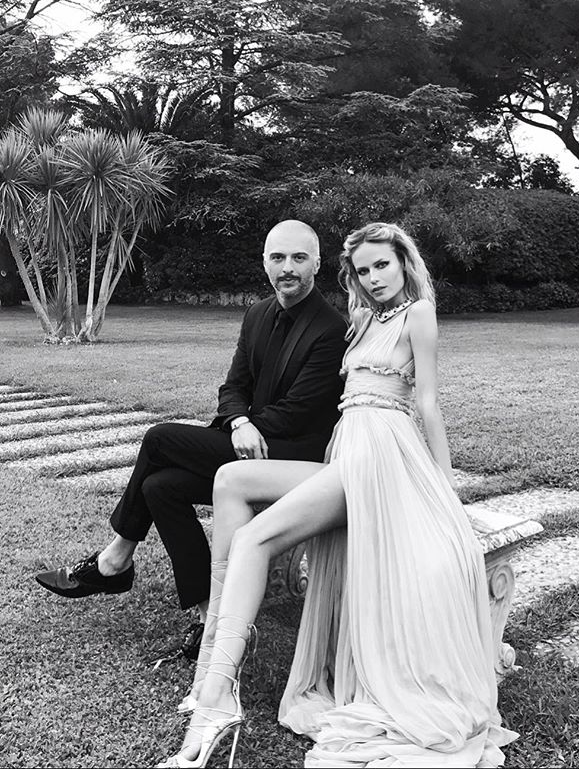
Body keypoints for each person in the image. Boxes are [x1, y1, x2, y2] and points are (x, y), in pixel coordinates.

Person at [157, 222, 518, 768]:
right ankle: (212, 663)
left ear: (404, 263)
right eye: (364, 270)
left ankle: (215, 695)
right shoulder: (361, 319)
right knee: (230, 478)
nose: (374, 278)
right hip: (345, 453)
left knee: (254, 538)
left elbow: (428, 403)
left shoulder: (419, 314)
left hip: (384, 456)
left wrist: (446, 488)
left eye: (383, 265)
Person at [35, 220, 347, 634]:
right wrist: (238, 421)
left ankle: (115, 560)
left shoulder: (332, 329)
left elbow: (297, 414)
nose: (287, 267)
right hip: (247, 441)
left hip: (293, 456)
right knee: (159, 487)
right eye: (278, 257)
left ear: (317, 264)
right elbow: (233, 386)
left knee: (159, 438)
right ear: (264, 263)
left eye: (298, 258)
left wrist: (241, 429)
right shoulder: (256, 314)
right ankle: (206, 617)